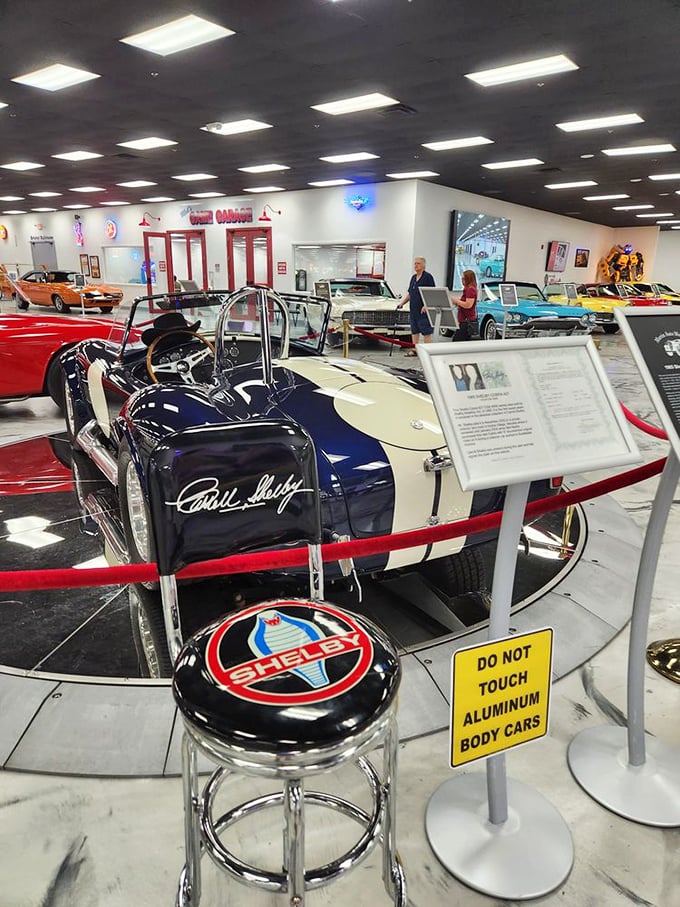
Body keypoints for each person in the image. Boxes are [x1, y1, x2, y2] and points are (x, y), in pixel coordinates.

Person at [398, 256, 435, 356]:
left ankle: (428, 351)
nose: (415, 265)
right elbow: (411, 293)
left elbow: (431, 293)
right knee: (414, 331)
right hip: (413, 309)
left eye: (418, 263)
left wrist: (426, 305)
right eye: (415, 263)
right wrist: (402, 303)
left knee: (426, 331)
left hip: (423, 310)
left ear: (423, 265)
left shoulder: (428, 277)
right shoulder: (413, 278)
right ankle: (415, 350)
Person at [451, 270, 479, 341]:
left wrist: (457, 301)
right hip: (464, 320)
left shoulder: (470, 290)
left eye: (463, 279)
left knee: (456, 341)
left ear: (468, 279)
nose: (462, 280)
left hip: (466, 322)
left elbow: (468, 305)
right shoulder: (468, 289)